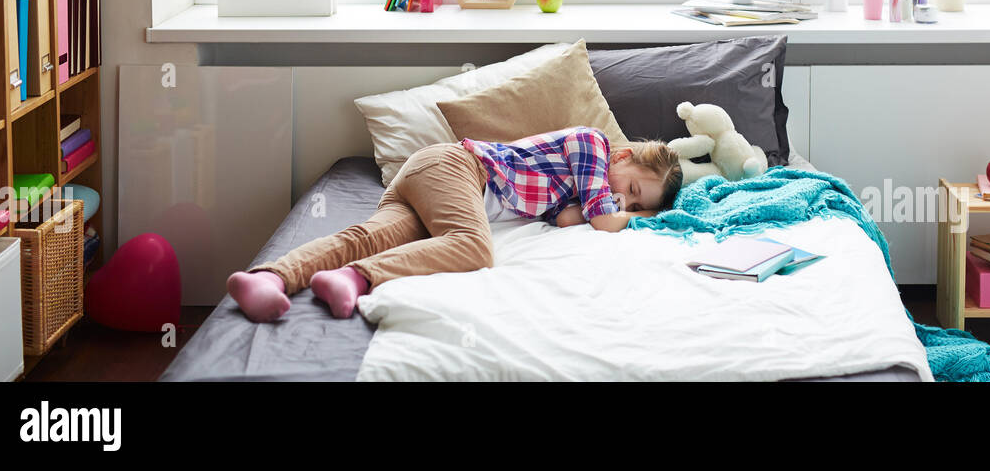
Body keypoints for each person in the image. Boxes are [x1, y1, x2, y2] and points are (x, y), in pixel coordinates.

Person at [226, 127, 682, 322]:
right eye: (635, 191)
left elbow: (569, 219)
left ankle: (269, 278)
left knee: (371, 236)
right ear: (624, 156)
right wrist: (629, 216)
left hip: (434, 188)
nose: (629, 201)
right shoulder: (594, 145)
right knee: (473, 248)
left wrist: (607, 206)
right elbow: (604, 221)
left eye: (639, 205)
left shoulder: (582, 188)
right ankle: (356, 276)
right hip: (456, 168)